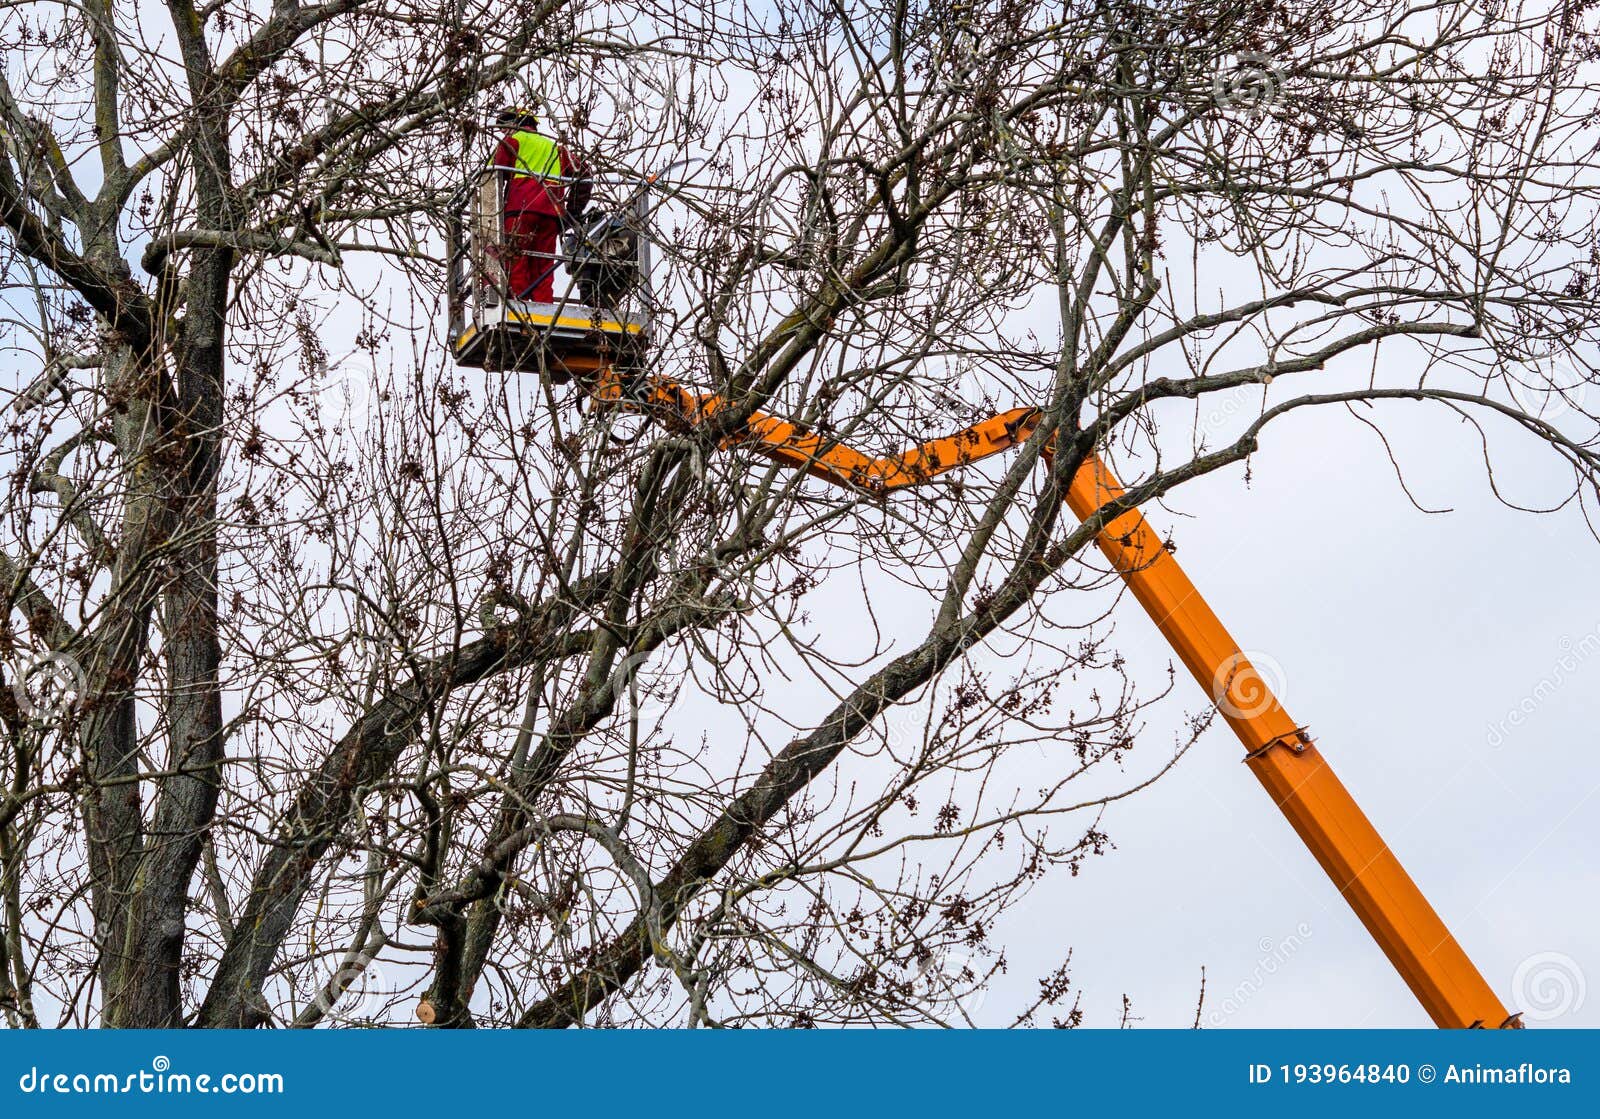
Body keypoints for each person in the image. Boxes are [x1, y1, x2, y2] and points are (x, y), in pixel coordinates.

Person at [490, 104, 591, 302]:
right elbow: (585, 175)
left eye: (504, 127)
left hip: (520, 211)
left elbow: (490, 178)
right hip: (550, 215)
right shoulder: (556, 148)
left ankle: (517, 307)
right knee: (543, 268)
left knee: (515, 262)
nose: (503, 132)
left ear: (514, 123)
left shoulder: (512, 141)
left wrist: (490, 219)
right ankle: (542, 308)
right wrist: (572, 212)